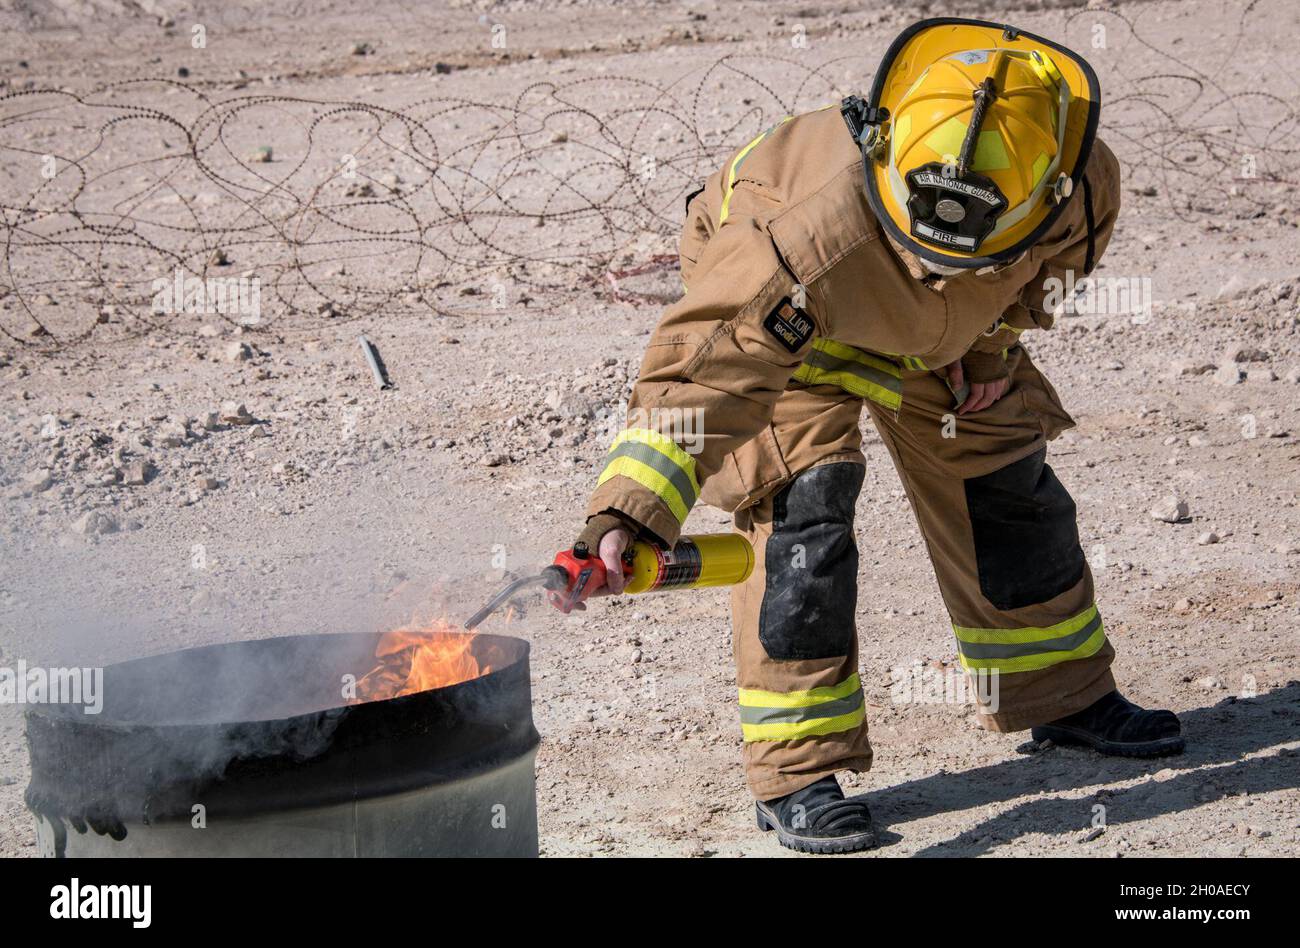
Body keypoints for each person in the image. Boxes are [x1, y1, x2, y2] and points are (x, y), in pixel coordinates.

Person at [556, 17, 1183, 854]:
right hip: (805, 328)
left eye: (971, 255)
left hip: (949, 339)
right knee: (802, 519)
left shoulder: (1073, 170)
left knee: (1007, 488)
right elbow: (707, 377)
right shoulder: (804, 236)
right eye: (929, 249)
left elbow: (1055, 265)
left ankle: (1060, 697)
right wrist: (629, 515)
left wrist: (995, 340)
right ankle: (796, 772)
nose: (947, 261)